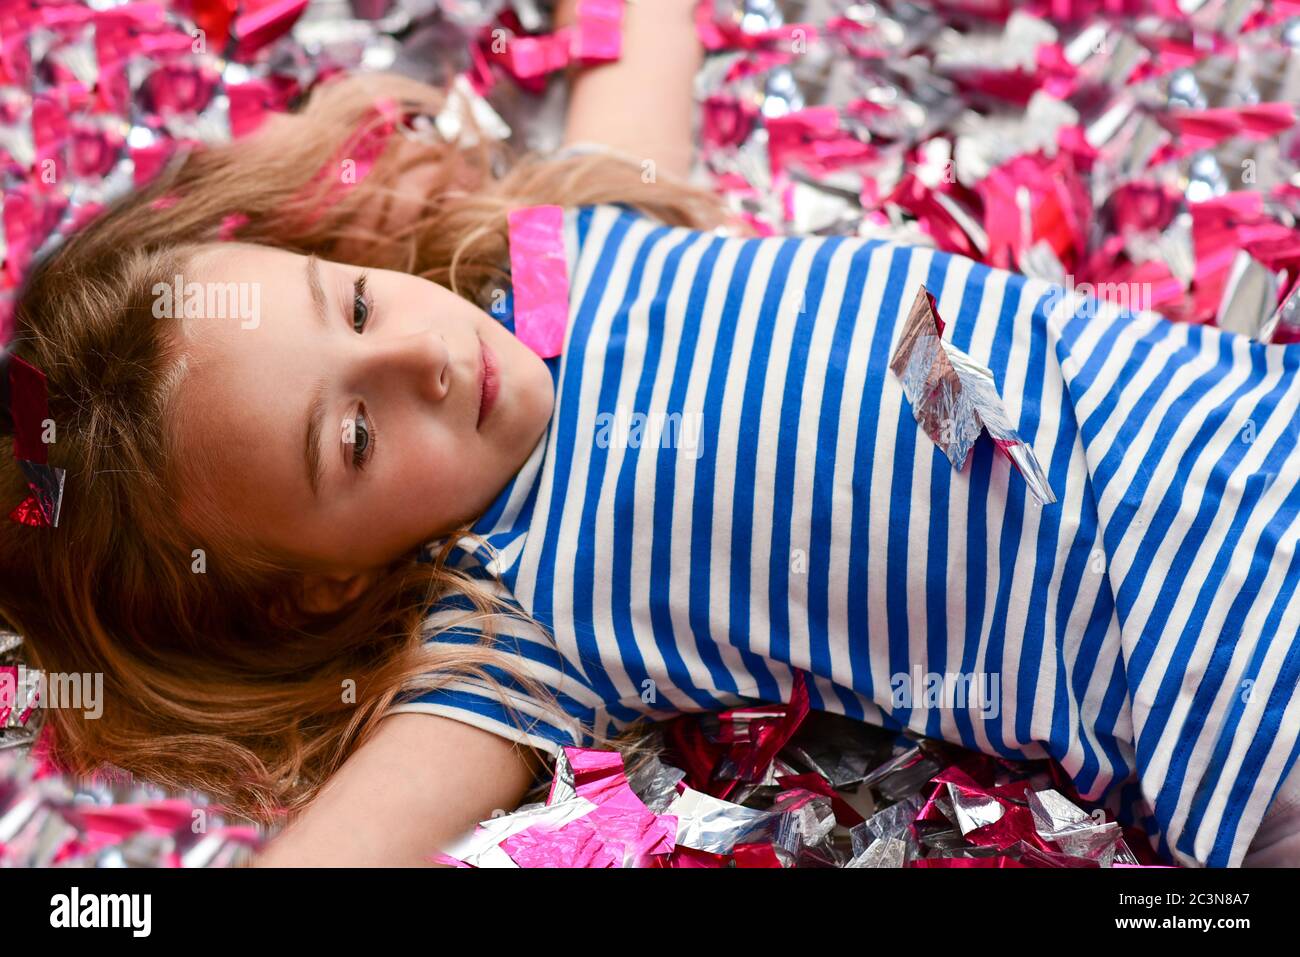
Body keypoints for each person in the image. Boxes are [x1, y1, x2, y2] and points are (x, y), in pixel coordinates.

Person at [1, 0, 1295, 867]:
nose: (419, 360)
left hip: (1255, 418)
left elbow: (636, 32)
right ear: (322, 585)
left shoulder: (555, 254)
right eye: (350, 438)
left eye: (351, 306)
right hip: (1232, 693)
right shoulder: (511, 623)